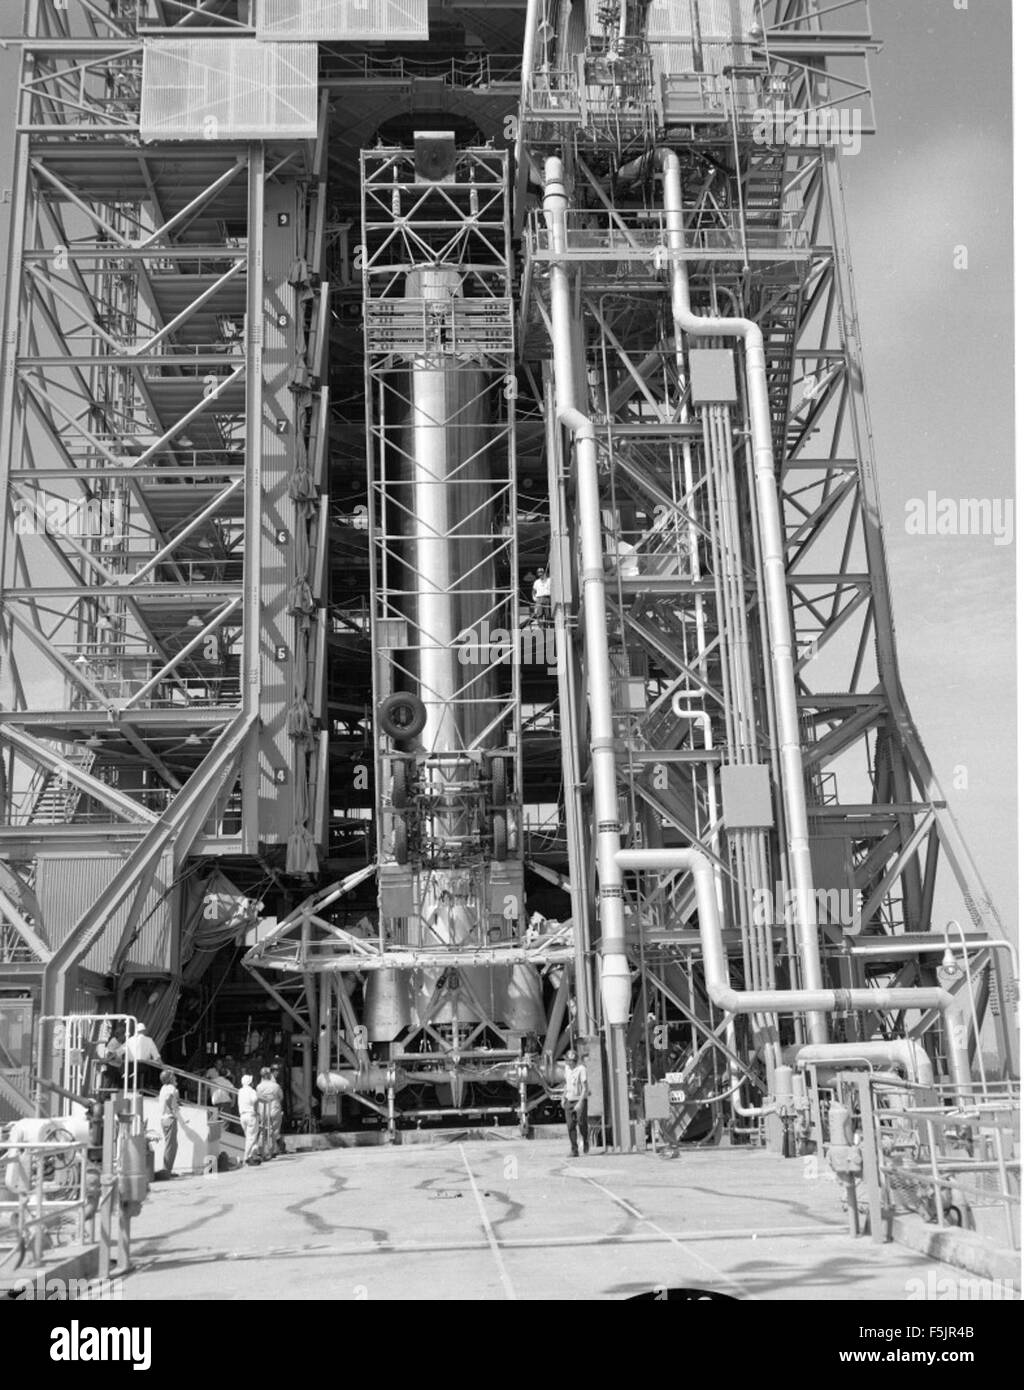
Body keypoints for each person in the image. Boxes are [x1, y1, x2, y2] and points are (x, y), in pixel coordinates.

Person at [562, 1048, 589, 1158]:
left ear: (573, 1061)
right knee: (570, 1126)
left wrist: (580, 1102)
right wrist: (563, 1097)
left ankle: (585, 1139)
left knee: (581, 1123)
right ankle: (574, 1150)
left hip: (579, 1100)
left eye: (568, 1060)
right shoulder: (567, 1069)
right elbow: (566, 1084)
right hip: (569, 1100)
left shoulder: (581, 1069)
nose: (566, 1062)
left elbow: (585, 1088)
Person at [256, 1067, 284, 1160]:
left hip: (263, 1109)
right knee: (274, 1130)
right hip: (274, 1108)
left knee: (263, 1130)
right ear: (269, 1075)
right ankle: (272, 1151)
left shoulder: (259, 1086)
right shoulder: (275, 1085)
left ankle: (261, 1151)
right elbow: (281, 1096)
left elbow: (257, 1098)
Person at [157, 1069, 180, 1177]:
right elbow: (168, 1099)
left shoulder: (163, 1088)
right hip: (169, 1118)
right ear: (170, 1078)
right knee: (171, 1145)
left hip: (164, 1119)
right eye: (173, 1076)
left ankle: (168, 1170)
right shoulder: (171, 1088)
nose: (175, 1077)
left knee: (171, 1145)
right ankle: (166, 1171)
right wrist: (172, 1110)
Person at [237, 1074, 260, 1166]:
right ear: (250, 1083)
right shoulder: (252, 1091)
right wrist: (255, 1110)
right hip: (251, 1115)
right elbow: (255, 1100)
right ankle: (246, 1157)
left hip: (242, 1116)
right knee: (251, 1138)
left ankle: (253, 1156)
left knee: (249, 1137)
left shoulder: (240, 1091)